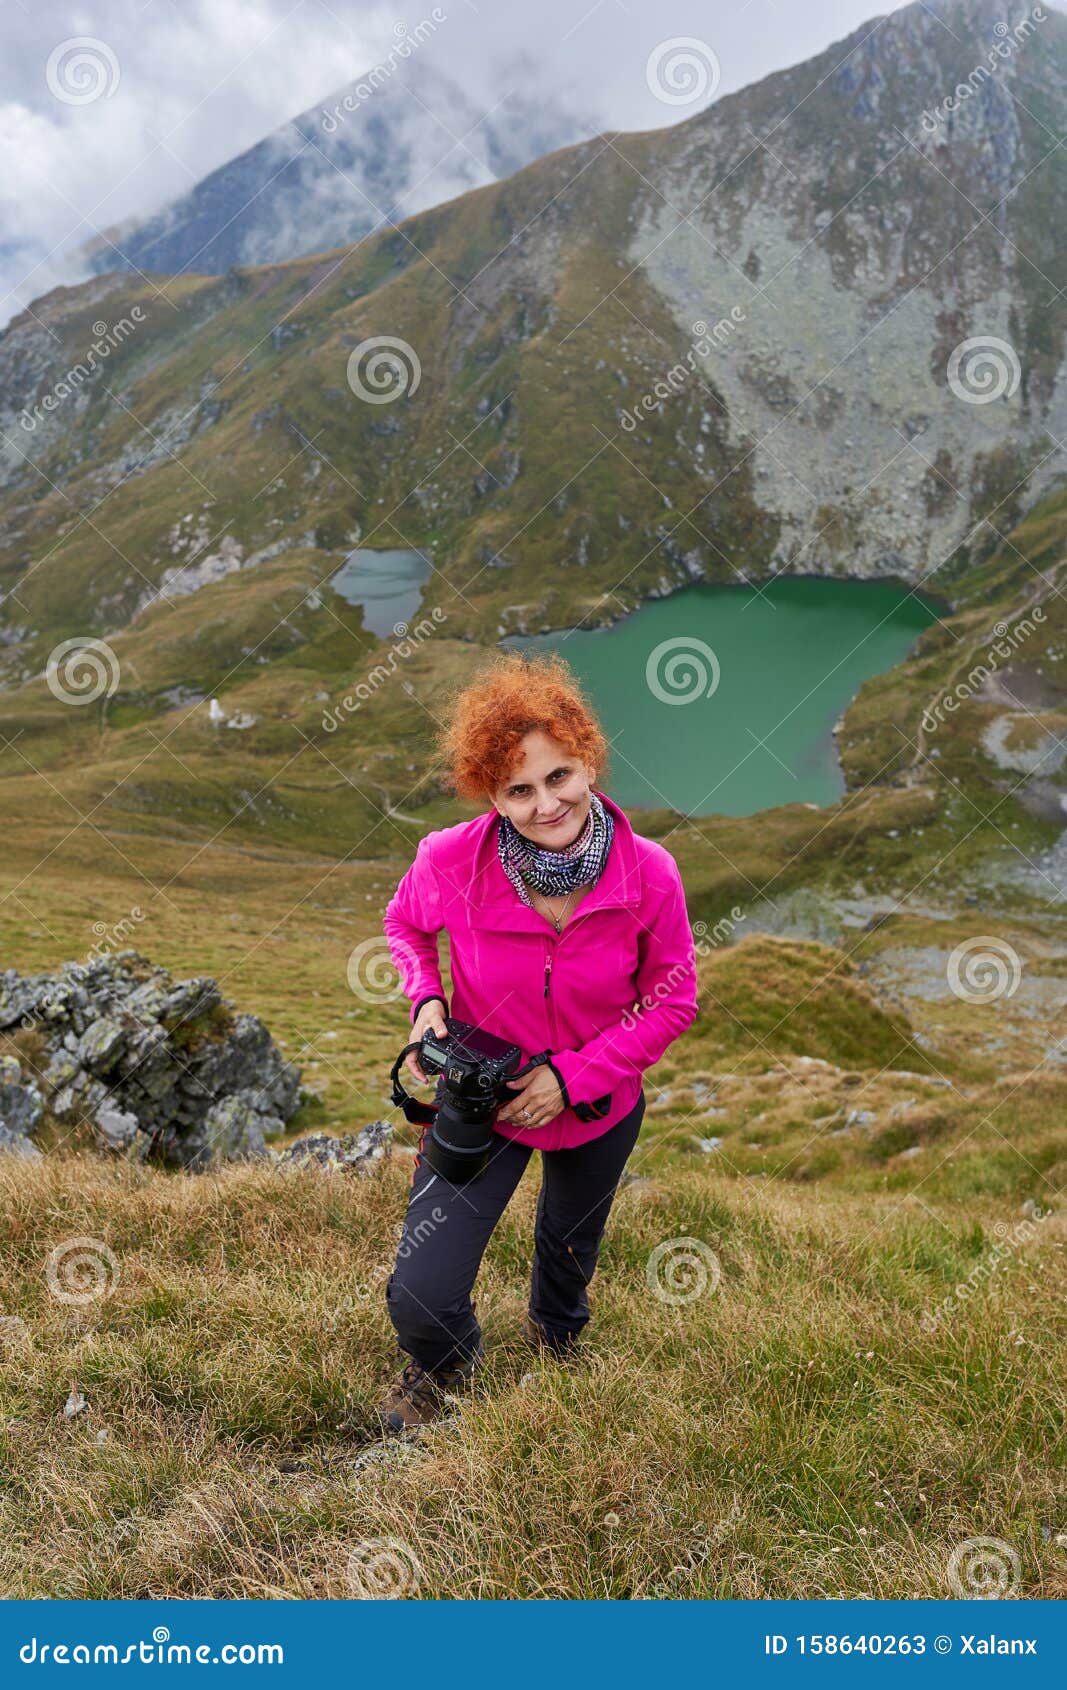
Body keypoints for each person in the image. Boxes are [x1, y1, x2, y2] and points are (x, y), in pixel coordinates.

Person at [375, 649, 699, 1433]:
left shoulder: (650, 872)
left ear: (587, 762)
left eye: (558, 777)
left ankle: (558, 1342)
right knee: (420, 1292)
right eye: (518, 790)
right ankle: (443, 1362)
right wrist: (426, 999)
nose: (546, 804)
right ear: (491, 794)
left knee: (569, 1245)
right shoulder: (448, 858)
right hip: (481, 1096)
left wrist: (574, 1078)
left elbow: (673, 999)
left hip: (598, 1102)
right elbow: (405, 925)